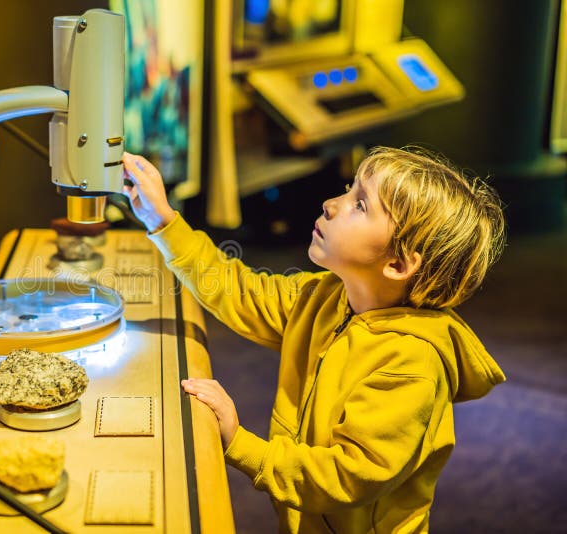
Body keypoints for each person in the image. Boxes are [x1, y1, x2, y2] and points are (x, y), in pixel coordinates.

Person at [121, 146, 507, 533]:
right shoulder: (325, 297)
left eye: (360, 205)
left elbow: (346, 476)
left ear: (398, 264)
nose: (331, 204)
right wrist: (163, 220)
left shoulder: (411, 366)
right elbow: (240, 291)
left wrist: (239, 443)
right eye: (348, 189)